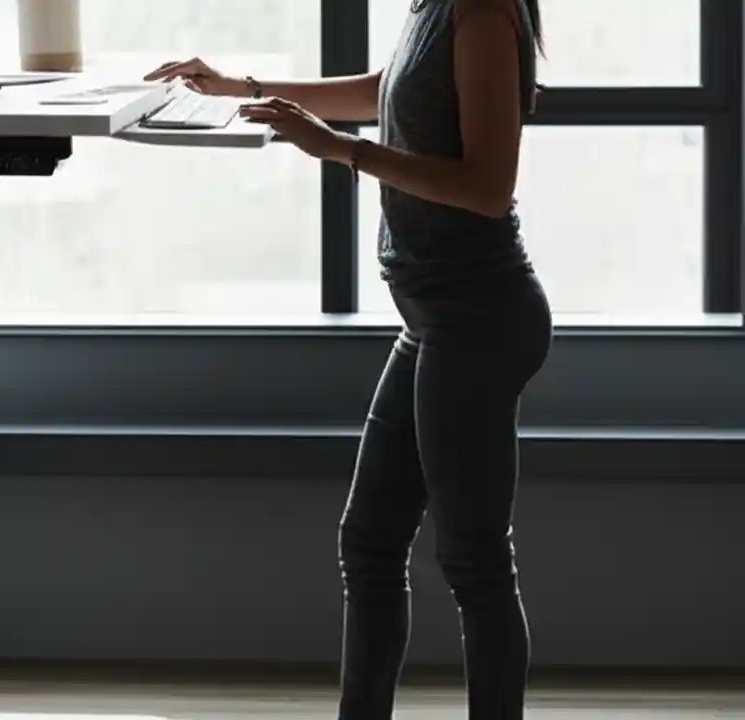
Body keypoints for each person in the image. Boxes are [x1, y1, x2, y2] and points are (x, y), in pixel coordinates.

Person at [145, 0, 552, 717]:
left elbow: (488, 188)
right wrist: (245, 88)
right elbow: (383, 89)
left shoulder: (485, 13)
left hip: (479, 318)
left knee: (473, 560)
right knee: (369, 543)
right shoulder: (436, 6)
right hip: (432, 318)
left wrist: (339, 149)